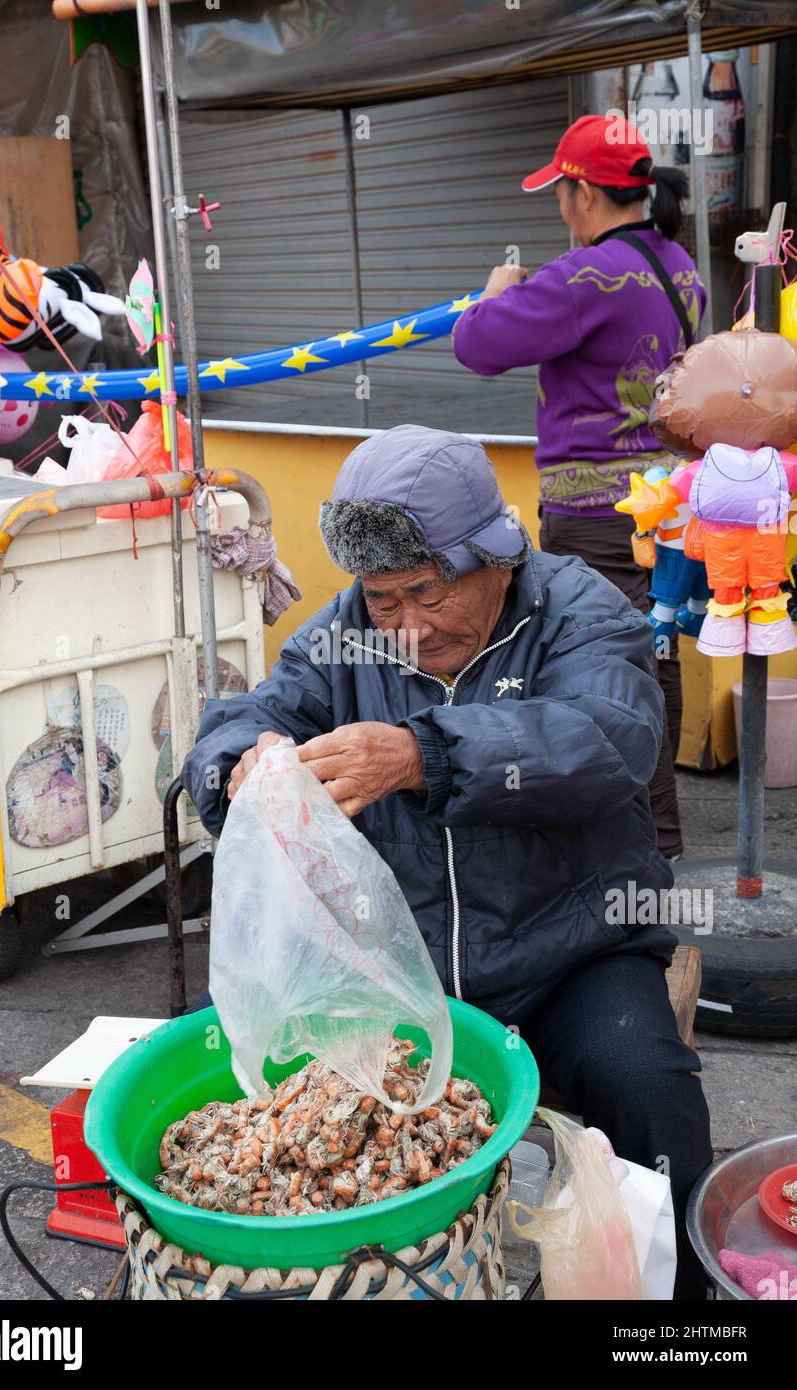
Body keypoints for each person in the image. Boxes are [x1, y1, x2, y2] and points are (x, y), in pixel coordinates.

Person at [183, 423, 713, 1300]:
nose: (406, 626)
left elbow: (611, 740)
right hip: (402, 975)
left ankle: (678, 1323)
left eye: (424, 592)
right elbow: (254, 712)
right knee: (255, 1098)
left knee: (648, 1088)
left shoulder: (576, 612)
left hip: (569, 953)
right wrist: (237, 765)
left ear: (494, 555)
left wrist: (425, 754)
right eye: (382, 599)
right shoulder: (358, 634)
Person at [452, 113, 707, 861]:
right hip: (666, 505)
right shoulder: (678, 264)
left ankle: (638, 847)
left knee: (601, 671)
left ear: (584, 194)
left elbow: (478, 345)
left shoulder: (584, 276)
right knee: (651, 656)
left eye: (560, 193)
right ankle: (657, 832)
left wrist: (493, 293)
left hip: (598, 513)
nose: (558, 208)